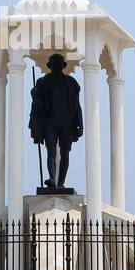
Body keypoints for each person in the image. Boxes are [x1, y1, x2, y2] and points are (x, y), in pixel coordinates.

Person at [29, 53, 83, 188]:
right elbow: (39, 106)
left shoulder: (71, 83)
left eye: (59, 64)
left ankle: (61, 182)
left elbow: (77, 106)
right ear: (50, 66)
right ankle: (52, 179)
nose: (57, 66)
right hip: (50, 123)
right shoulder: (43, 82)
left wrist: (80, 124)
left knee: (65, 153)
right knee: (51, 151)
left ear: (63, 66)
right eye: (54, 64)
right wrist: (34, 96)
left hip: (67, 123)